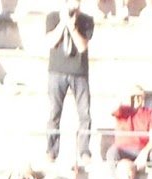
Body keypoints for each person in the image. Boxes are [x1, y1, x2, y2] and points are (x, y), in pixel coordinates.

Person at [45, 0, 96, 165]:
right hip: (57, 71)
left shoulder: (87, 21)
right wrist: (63, 23)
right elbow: (51, 42)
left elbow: (82, 46)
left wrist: (73, 27)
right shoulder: (52, 18)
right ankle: (51, 150)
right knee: (54, 113)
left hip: (79, 73)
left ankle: (84, 150)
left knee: (84, 114)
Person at [106, 85, 152, 179]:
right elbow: (112, 109)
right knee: (111, 152)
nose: (137, 99)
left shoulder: (150, 113)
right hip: (123, 149)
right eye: (134, 96)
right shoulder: (122, 110)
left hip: (142, 149)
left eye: (139, 96)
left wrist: (145, 152)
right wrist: (126, 97)